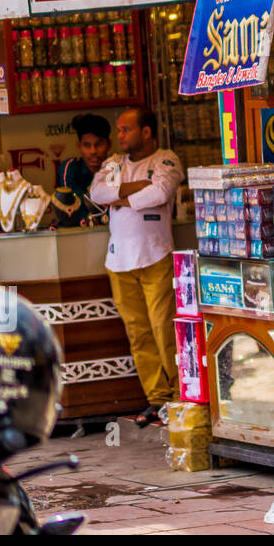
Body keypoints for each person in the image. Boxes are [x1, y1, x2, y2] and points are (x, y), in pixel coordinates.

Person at [89, 107, 183, 427]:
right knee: (138, 334)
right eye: (119, 130)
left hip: (155, 256)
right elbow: (98, 192)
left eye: (126, 129)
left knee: (164, 327)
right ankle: (157, 398)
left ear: (145, 132)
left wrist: (120, 198)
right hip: (118, 260)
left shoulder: (165, 160)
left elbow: (161, 192)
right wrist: (132, 188)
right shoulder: (115, 163)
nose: (120, 136)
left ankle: (180, 395)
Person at [53, 114, 111, 227]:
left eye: (99, 144)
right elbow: (70, 206)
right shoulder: (70, 168)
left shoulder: (116, 168)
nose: (93, 151)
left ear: (109, 145)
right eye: (87, 145)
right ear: (79, 147)